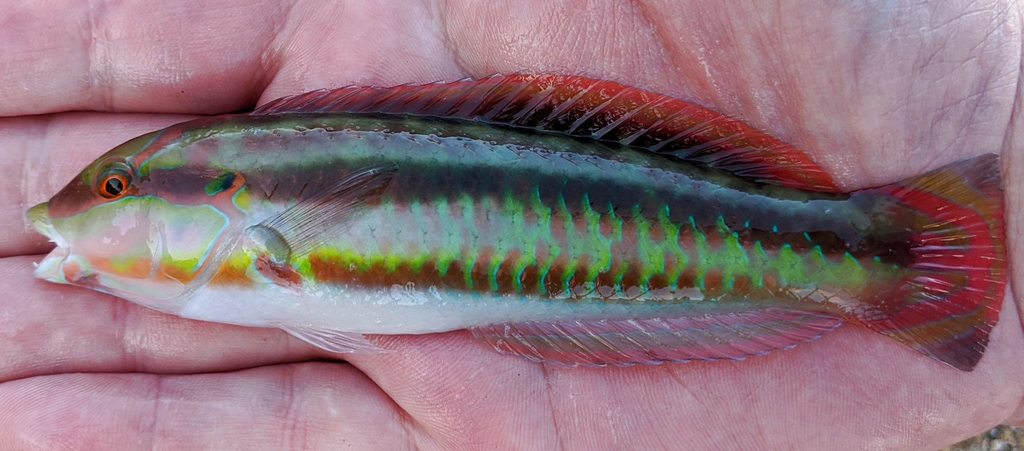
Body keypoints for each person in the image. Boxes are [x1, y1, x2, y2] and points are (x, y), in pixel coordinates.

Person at [0, 1, 1020, 449]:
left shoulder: (264, 212)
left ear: (219, 196)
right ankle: (870, 250)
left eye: (118, 188)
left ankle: (878, 249)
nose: (77, 215)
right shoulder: (246, 245)